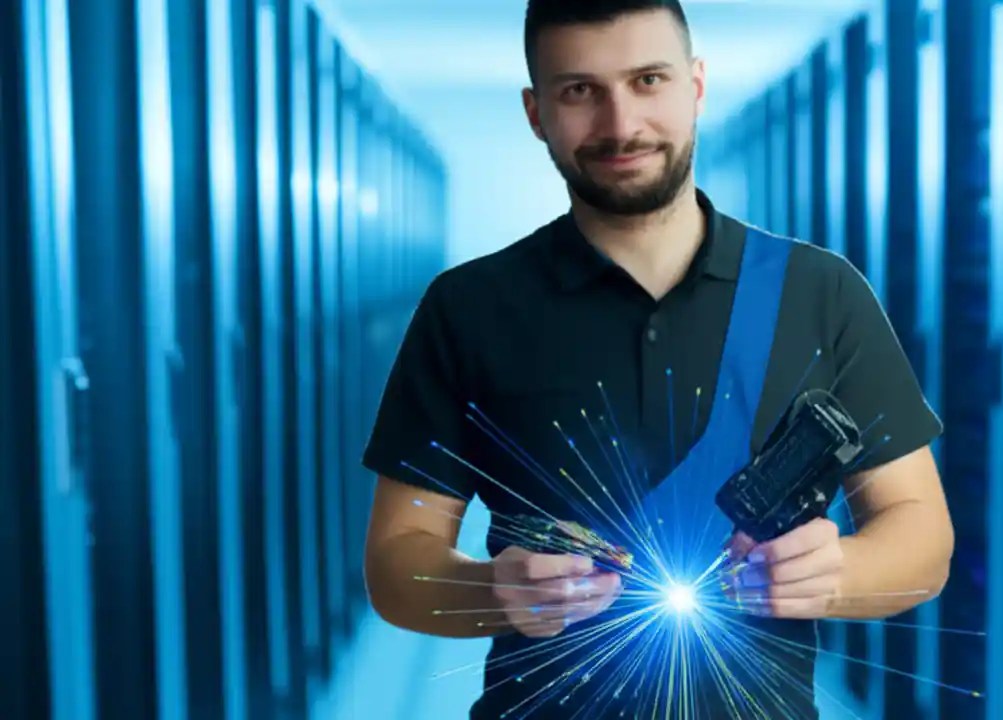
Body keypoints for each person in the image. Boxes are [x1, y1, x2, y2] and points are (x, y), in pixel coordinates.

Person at [360, 1, 955, 717]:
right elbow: (399, 560)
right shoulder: (468, 308)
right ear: (536, 110)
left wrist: (837, 573)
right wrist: (490, 590)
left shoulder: (820, 293)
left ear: (695, 86)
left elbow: (922, 537)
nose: (620, 125)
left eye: (648, 80)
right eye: (580, 90)